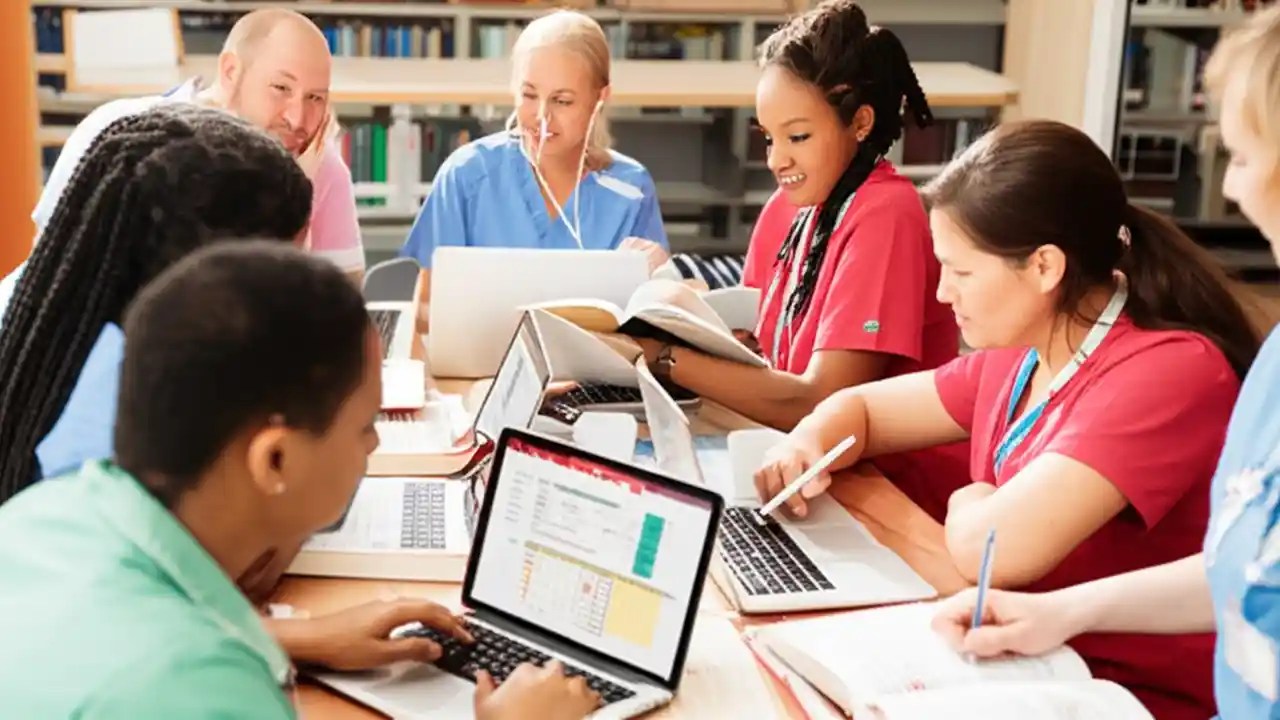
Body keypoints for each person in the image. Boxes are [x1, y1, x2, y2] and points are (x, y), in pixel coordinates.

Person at [754, 116, 1262, 719]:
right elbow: (862, 409)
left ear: (1044, 267)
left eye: (962, 272)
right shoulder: (1026, 347)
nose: (943, 293)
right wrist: (806, 444)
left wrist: (972, 502)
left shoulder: (1169, 372)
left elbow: (991, 550)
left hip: (1121, 694)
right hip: (1026, 657)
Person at [0, 241, 599, 720]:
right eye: (364, 426)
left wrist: (298, 636)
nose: (375, 445)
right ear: (275, 461)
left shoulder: (39, 516)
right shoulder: (197, 687)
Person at [0, 104, 473, 676]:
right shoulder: (105, 427)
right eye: (286, 264)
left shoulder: (68, 305)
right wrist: (293, 634)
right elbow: (106, 623)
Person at [930, 8, 1280, 720]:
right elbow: (1243, 570)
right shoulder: (1273, 363)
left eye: (1243, 159)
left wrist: (978, 511)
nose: (1231, 189)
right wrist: (1064, 613)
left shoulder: (1177, 367)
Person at [629, 0, 968, 521]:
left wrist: (665, 359)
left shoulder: (888, 214)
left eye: (798, 136)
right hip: (793, 468)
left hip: (889, 499)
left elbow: (819, 403)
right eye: (769, 137)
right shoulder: (789, 209)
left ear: (860, 122)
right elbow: (759, 351)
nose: (776, 159)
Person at [28, 8, 365, 281]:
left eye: (315, 98)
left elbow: (342, 314)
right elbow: (52, 270)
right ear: (230, 71)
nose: (298, 118)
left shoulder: (320, 167)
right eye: (281, 88)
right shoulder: (117, 139)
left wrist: (302, 192)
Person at [401, 9, 669, 328]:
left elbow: (653, 317)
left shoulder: (630, 189)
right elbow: (419, 310)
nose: (541, 116)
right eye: (529, 95)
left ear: (600, 99)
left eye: (562, 101)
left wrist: (662, 277)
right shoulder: (468, 175)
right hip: (483, 359)